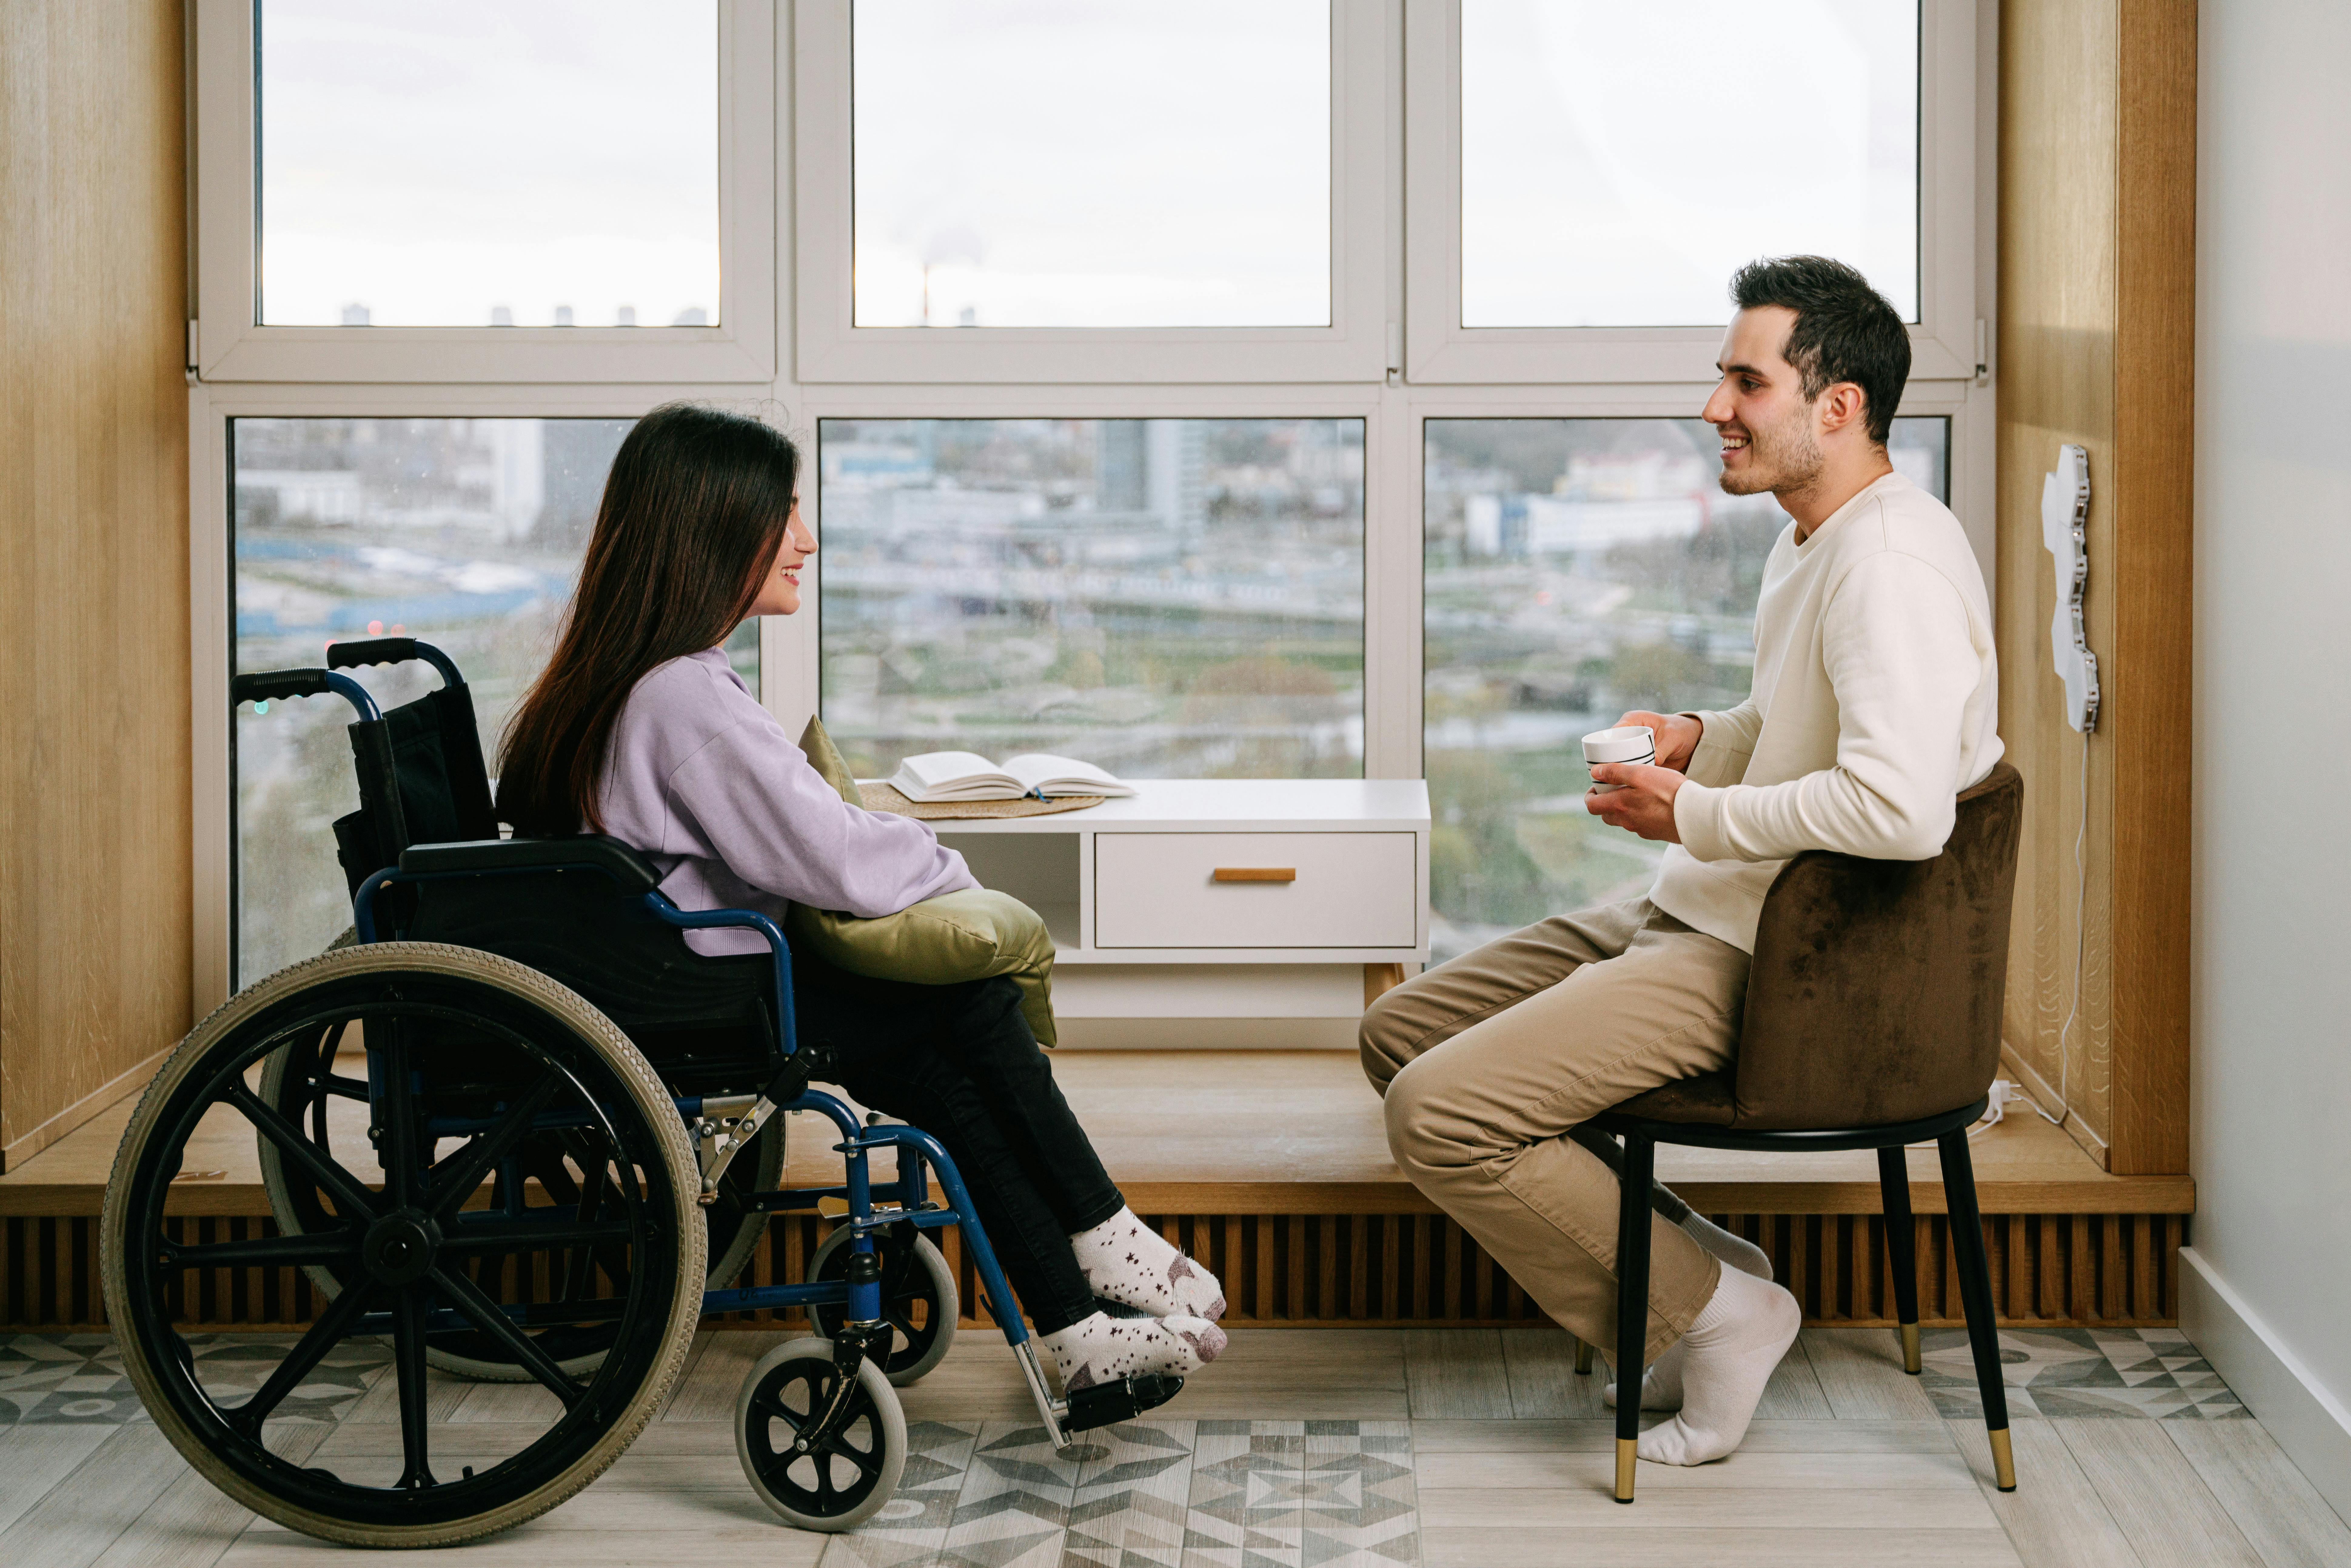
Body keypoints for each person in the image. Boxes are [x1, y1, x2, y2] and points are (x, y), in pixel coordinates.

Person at [1364, 257, 2000, 1467]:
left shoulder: (1890, 568)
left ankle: (1716, 1315)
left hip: (1792, 953)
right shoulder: (1814, 538)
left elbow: (1899, 809)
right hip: (1721, 900)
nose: (1715, 407)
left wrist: (1692, 815)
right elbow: (1799, 724)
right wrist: (1702, 738)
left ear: (1838, 405)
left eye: (1745, 382)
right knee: (1404, 1032)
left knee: (1437, 1114)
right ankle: (1700, 1268)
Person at [495, 402, 1227, 1390]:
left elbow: (795, 837)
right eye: (785, 516)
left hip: (680, 971)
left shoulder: (642, 677)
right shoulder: (682, 697)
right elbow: (825, 857)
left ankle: (1075, 1317)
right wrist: (944, 871)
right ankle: (1101, 1242)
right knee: (970, 1002)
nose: (806, 541)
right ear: (715, 531)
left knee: (942, 1067)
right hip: (709, 992)